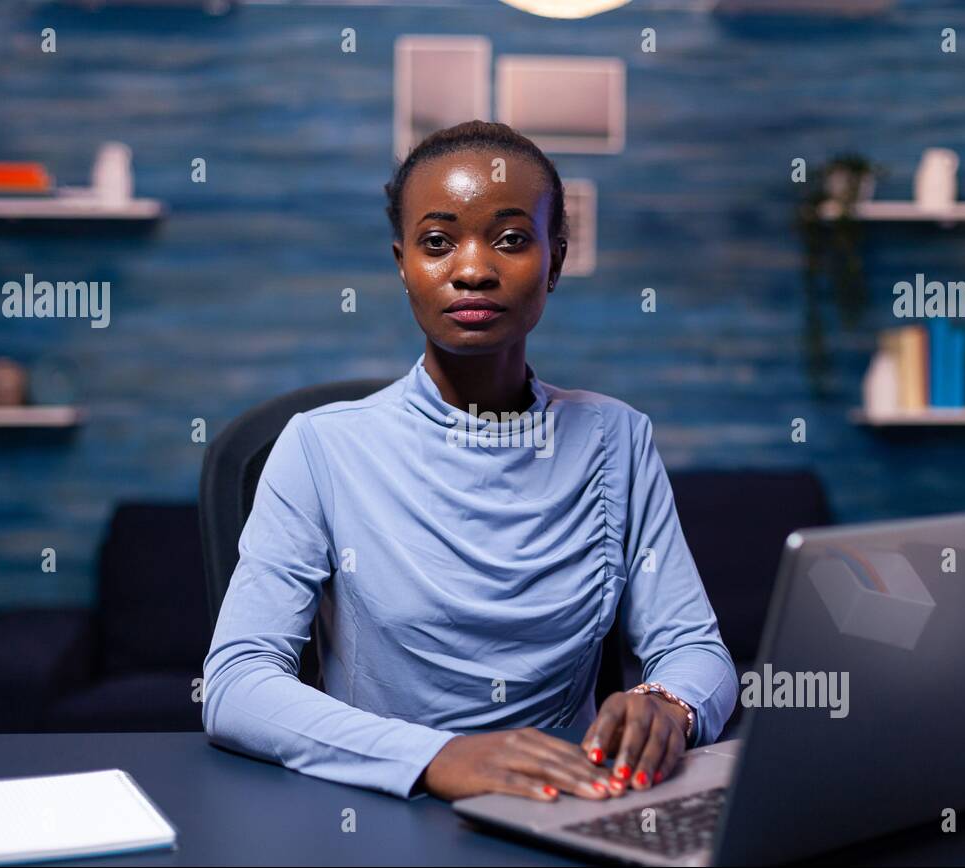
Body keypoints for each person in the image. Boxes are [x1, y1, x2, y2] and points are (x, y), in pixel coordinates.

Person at [202, 120, 737, 803]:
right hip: (377, 809)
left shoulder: (617, 439)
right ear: (403, 264)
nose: (474, 269)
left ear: (556, 261)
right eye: (437, 242)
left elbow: (696, 650)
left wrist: (670, 704)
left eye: (512, 239)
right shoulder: (320, 447)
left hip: (568, 807)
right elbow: (237, 685)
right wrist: (438, 758)